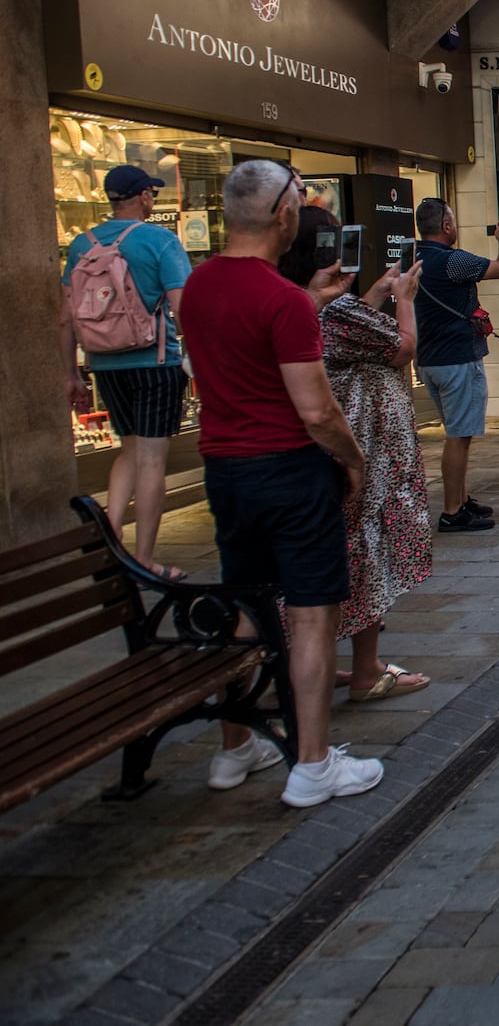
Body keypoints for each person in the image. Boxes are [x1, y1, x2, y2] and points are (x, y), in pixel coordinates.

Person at [179, 160, 382, 807]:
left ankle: (236, 748)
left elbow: (242, 343)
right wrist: (354, 461)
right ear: (283, 216)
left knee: (245, 606)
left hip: (226, 472)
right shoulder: (282, 302)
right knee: (312, 614)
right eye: (298, 199)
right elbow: (317, 411)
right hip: (290, 472)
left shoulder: (200, 287)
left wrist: (312, 301)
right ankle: (315, 764)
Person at [276, 207, 433, 703]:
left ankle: (320, 663)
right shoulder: (332, 311)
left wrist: (376, 295)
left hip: (340, 443)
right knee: (365, 548)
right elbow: (403, 348)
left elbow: (351, 330)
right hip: (361, 444)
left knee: (347, 551)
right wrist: (404, 298)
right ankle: (364, 668)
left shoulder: (306, 304)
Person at [60, 164, 193, 581]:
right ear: (144, 197)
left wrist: (71, 374)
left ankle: (112, 538)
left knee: (130, 450)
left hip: (104, 364)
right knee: (153, 461)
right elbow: (183, 308)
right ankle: (145, 559)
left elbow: (66, 317)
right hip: (154, 363)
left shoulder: (83, 243)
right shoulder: (159, 240)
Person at [413, 198, 499, 534]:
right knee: (458, 435)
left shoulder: (410, 257)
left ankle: (461, 496)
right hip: (457, 358)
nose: (455, 226)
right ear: (445, 226)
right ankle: (452, 511)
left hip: (429, 358)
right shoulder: (453, 261)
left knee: (460, 432)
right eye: (453, 220)